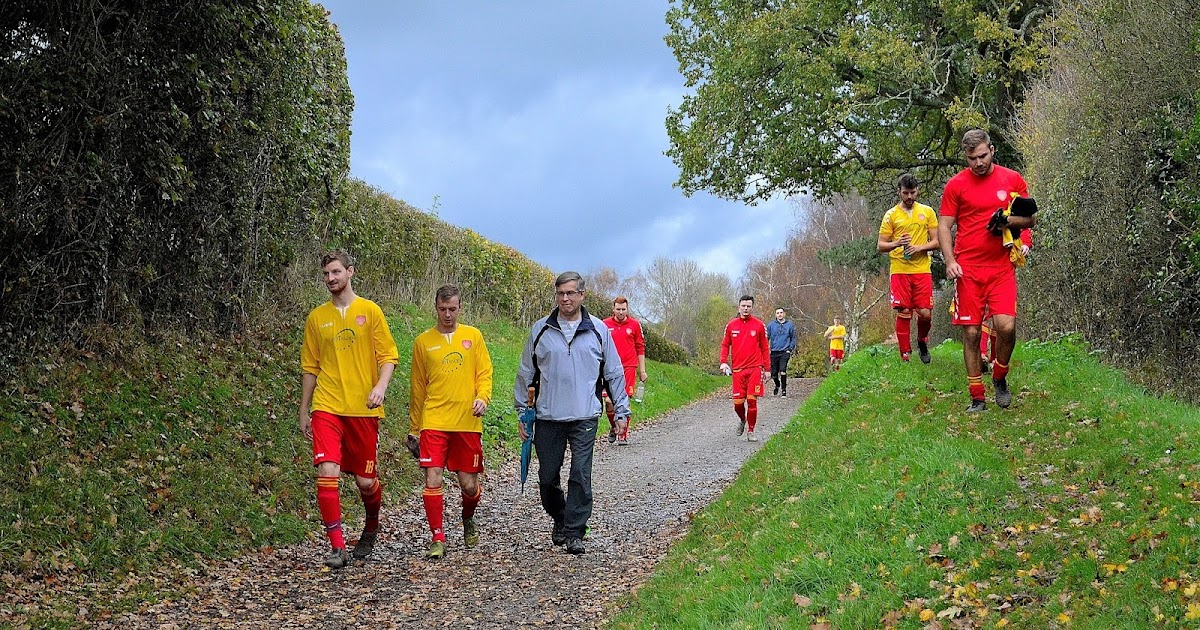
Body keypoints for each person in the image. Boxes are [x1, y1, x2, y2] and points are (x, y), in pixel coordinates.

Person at [514, 271, 628, 555]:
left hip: (585, 416)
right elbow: (525, 374)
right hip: (548, 416)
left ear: (582, 295)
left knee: (580, 473)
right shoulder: (540, 330)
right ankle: (561, 517)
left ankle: (575, 532)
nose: (565, 298)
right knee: (547, 479)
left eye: (570, 293)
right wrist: (521, 414)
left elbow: (613, 374)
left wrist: (622, 411)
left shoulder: (599, 331)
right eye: (560, 293)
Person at [299, 250, 399, 569]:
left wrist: (380, 387)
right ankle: (338, 547)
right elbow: (310, 367)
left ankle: (371, 526)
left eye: (336, 272)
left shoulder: (370, 312)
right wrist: (305, 410)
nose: (331, 279)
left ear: (350, 272)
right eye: (326, 274)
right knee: (327, 471)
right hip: (327, 406)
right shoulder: (317, 318)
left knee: (365, 482)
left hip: (363, 410)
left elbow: (388, 357)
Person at [938, 128, 1036, 412]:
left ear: (992, 150)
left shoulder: (1012, 179)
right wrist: (949, 261)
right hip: (967, 269)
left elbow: (1029, 220)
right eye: (972, 158)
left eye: (982, 156)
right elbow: (944, 226)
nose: (978, 163)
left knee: (1007, 327)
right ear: (966, 158)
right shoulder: (955, 186)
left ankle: (1000, 375)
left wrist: (1008, 223)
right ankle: (977, 397)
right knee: (970, 334)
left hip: (1001, 266)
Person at [409, 285, 493, 559]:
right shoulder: (424, 342)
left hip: (467, 421)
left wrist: (482, 397)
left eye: (452, 309)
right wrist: (414, 428)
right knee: (433, 478)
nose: (447, 314)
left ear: (460, 308)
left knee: (468, 485)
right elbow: (418, 387)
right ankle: (437, 537)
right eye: (443, 309)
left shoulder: (473, 336)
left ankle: (468, 517)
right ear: (436, 307)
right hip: (433, 419)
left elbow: (484, 373)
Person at [878, 173, 940, 364]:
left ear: (917, 190)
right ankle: (905, 354)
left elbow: (937, 241)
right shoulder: (891, 215)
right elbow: (880, 246)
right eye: (905, 193)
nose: (909, 197)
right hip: (899, 269)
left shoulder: (927, 212)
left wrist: (919, 248)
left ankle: (922, 341)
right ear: (899, 192)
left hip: (922, 268)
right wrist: (897, 243)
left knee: (925, 312)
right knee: (904, 310)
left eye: (912, 193)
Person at [719, 295, 770, 442]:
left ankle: (751, 431)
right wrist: (723, 362)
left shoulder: (759, 325)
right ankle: (743, 419)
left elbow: (765, 348)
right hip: (738, 370)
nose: (746, 309)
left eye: (748, 306)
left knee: (752, 400)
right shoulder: (731, 325)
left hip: (755, 368)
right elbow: (724, 345)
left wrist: (767, 369)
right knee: (738, 404)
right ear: (739, 307)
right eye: (743, 306)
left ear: (752, 307)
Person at [602, 296, 647, 445]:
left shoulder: (635, 325)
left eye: (623, 309)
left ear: (627, 310)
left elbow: (640, 347)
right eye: (618, 309)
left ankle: (623, 435)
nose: (621, 312)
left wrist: (642, 370)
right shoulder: (605, 324)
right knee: (609, 401)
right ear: (613, 309)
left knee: (624, 400)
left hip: (628, 367)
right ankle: (614, 426)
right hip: (610, 368)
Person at [765, 307, 797, 396]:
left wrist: (789, 349)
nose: (780, 314)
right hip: (774, 352)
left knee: (783, 371)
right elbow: (766, 338)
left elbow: (793, 338)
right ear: (776, 315)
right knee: (774, 374)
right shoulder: (771, 325)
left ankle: (784, 391)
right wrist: (765, 350)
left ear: (784, 314)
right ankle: (777, 385)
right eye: (778, 313)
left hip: (784, 351)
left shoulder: (790, 325)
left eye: (781, 312)